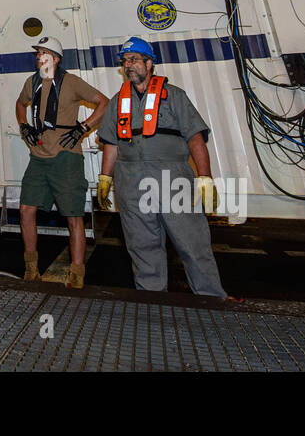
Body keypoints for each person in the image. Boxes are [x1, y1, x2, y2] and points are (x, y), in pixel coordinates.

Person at [95, 37, 229, 298]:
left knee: (192, 243)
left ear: (149, 63)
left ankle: (212, 300)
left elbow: (195, 139)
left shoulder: (174, 96)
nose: (128, 66)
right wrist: (104, 178)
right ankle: (152, 302)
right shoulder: (117, 101)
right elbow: (111, 143)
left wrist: (205, 178)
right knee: (142, 246)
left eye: (134, 60)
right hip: (130, 181)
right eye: (125, 62)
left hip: (172, 178)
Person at [14, 36, 109, 288]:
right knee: (25, 211)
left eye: (44, 53)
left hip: (66, 158)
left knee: (73, 216)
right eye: (37, 53)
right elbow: (20, 103)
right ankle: (31, 269)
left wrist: (83, 128)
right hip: (39, 156)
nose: (39, 57)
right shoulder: (32, 82)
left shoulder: (71, 82)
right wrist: (24, 127)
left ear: (55, 59)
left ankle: (77, 275)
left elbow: (104, 103)